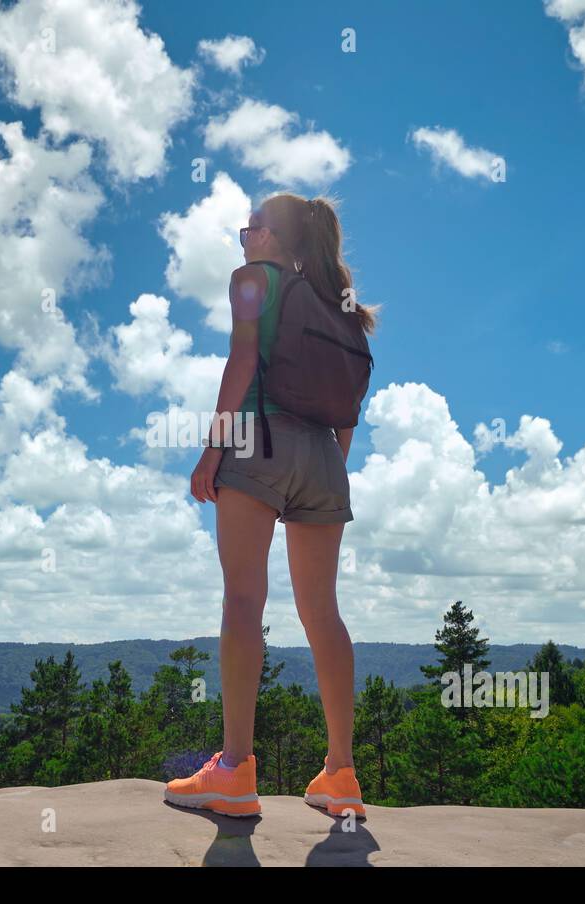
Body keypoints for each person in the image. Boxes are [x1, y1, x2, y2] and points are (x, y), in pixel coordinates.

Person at [163, 192, 378, 820]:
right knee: (322, 613)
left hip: (258, 440)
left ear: (274, 238)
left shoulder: (255, 280)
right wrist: (324, 465)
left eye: (249, 229)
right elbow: (347, 412)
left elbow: (243, 360)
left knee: (242, 600)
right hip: (324, 460)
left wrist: (211, 452)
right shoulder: (348, 311)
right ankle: (341, 774)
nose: (242, 239)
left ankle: (233, 770)